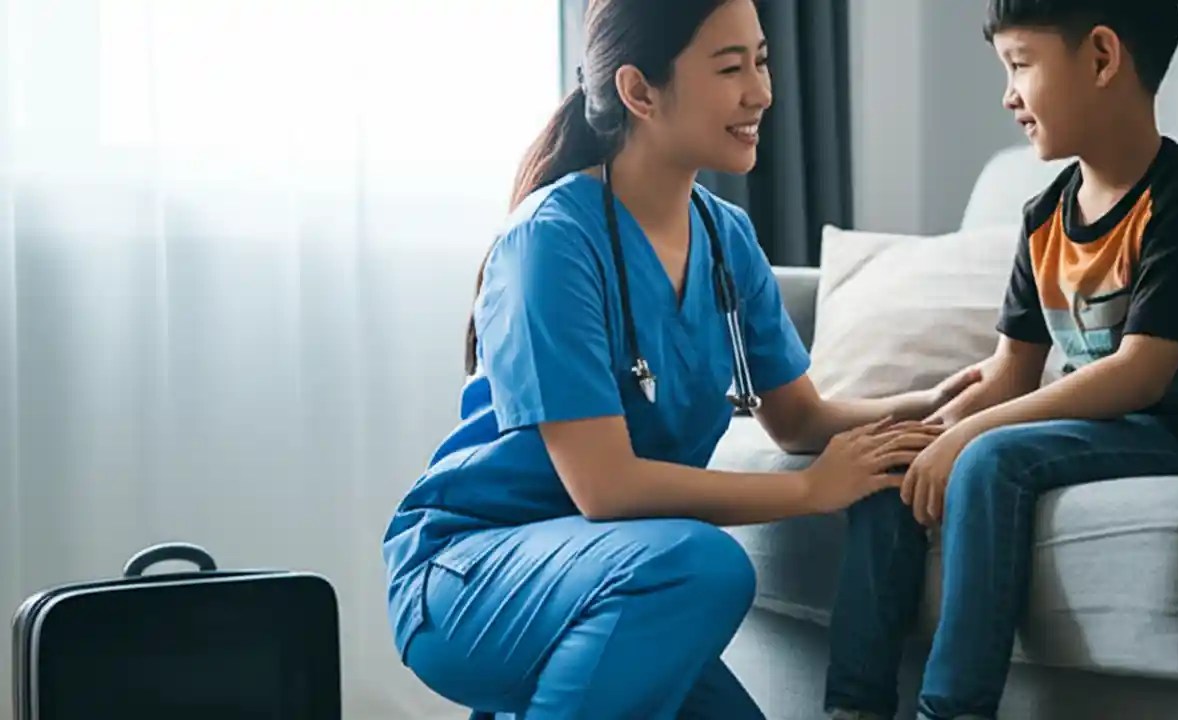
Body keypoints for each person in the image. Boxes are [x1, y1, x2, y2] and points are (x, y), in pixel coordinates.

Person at [379, 1, 982, 718]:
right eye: (731, 68)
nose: (760, 91)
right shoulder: (551, 240)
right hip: (471, 574)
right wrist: (810, 491)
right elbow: (605, 489)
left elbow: (798, 417)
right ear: (639, 92)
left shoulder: (726, 237)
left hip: (616, 573)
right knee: (705, 565)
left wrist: (931, 404)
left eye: (761, 60)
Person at [823, 1, 1178, 719]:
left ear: (1104, 58)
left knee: (991, 459)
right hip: (1099, 427)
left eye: (1021, 65)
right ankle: (853, 706)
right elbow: (1011, 370)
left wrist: (967, 438)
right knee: (888, 460)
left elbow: (1139, 374)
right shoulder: (1045, 215)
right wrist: (932, 430)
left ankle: (952, 708)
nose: (1008, 94)